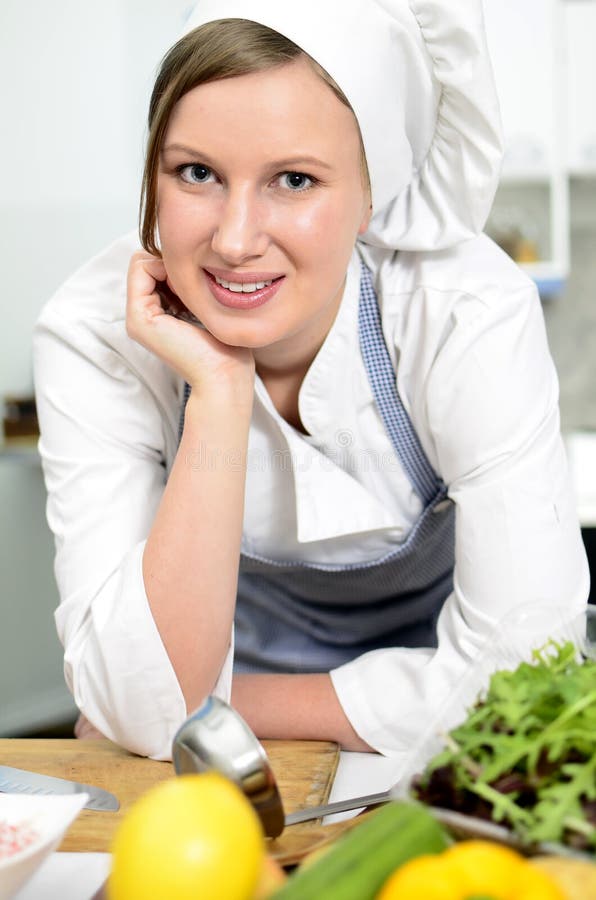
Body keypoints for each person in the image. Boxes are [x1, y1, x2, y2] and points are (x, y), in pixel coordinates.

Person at [33, 0, 589, 761]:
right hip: (228, 770)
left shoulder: (463, 312)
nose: (233, 241)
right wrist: (222, 393)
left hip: (458, 769)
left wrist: (230, 703)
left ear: (371, 195)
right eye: (196, 172)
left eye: (293, 180)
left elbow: (525, 675)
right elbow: (139, 702)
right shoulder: (98, 332)